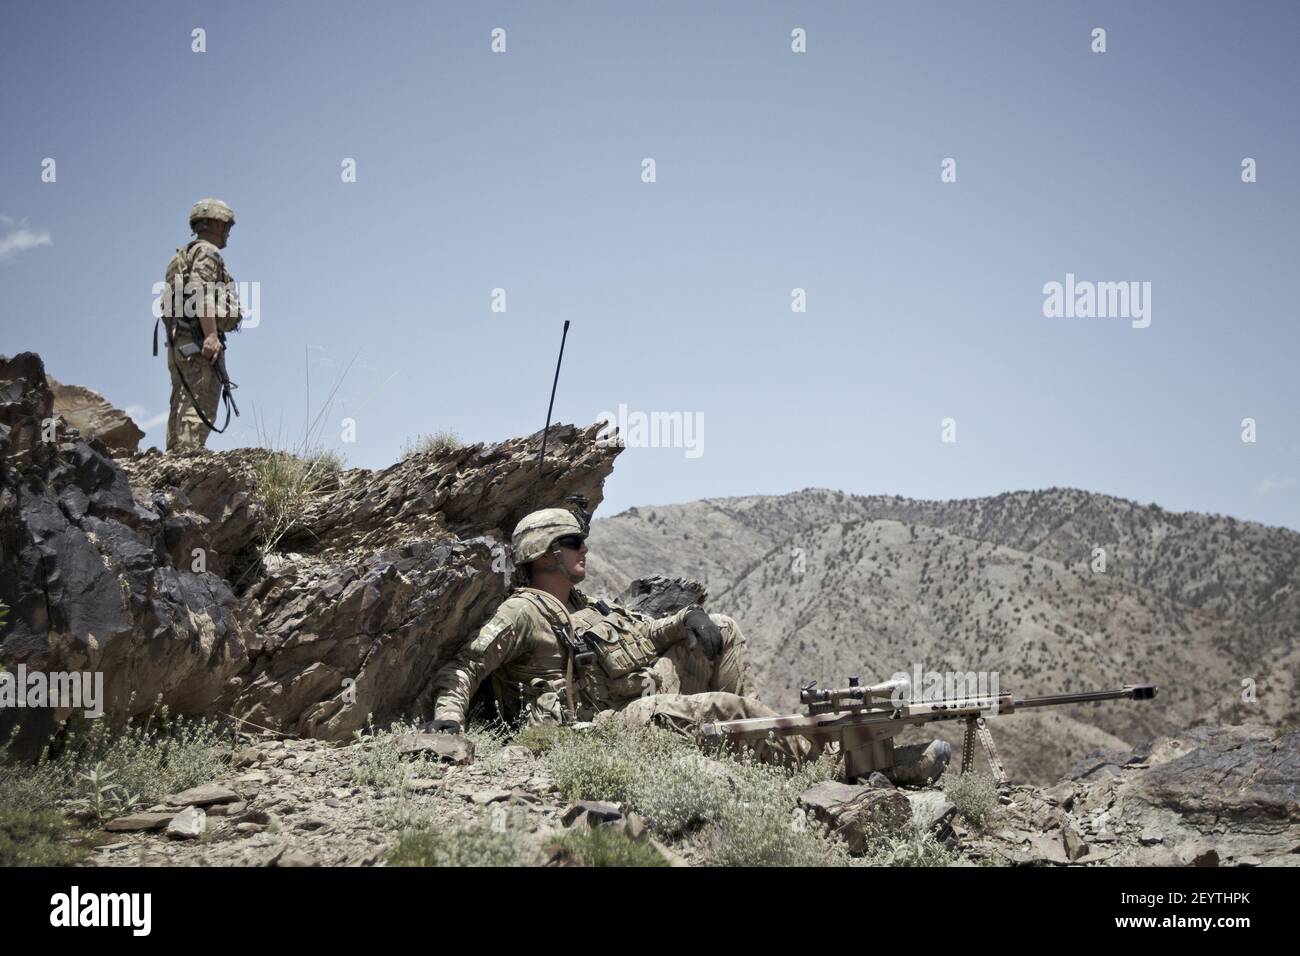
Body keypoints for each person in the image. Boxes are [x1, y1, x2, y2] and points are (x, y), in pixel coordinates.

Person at [159, 198, 242, 451]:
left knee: (182, 403)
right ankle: (188, 464)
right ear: (216, 223)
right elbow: (200, 290)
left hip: (180, 343)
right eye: (227, 225)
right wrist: (210, 336)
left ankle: (175, 464)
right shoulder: (207, 252)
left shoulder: (181, 257)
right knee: (197, 404)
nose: (228, 232)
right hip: (197, 343)